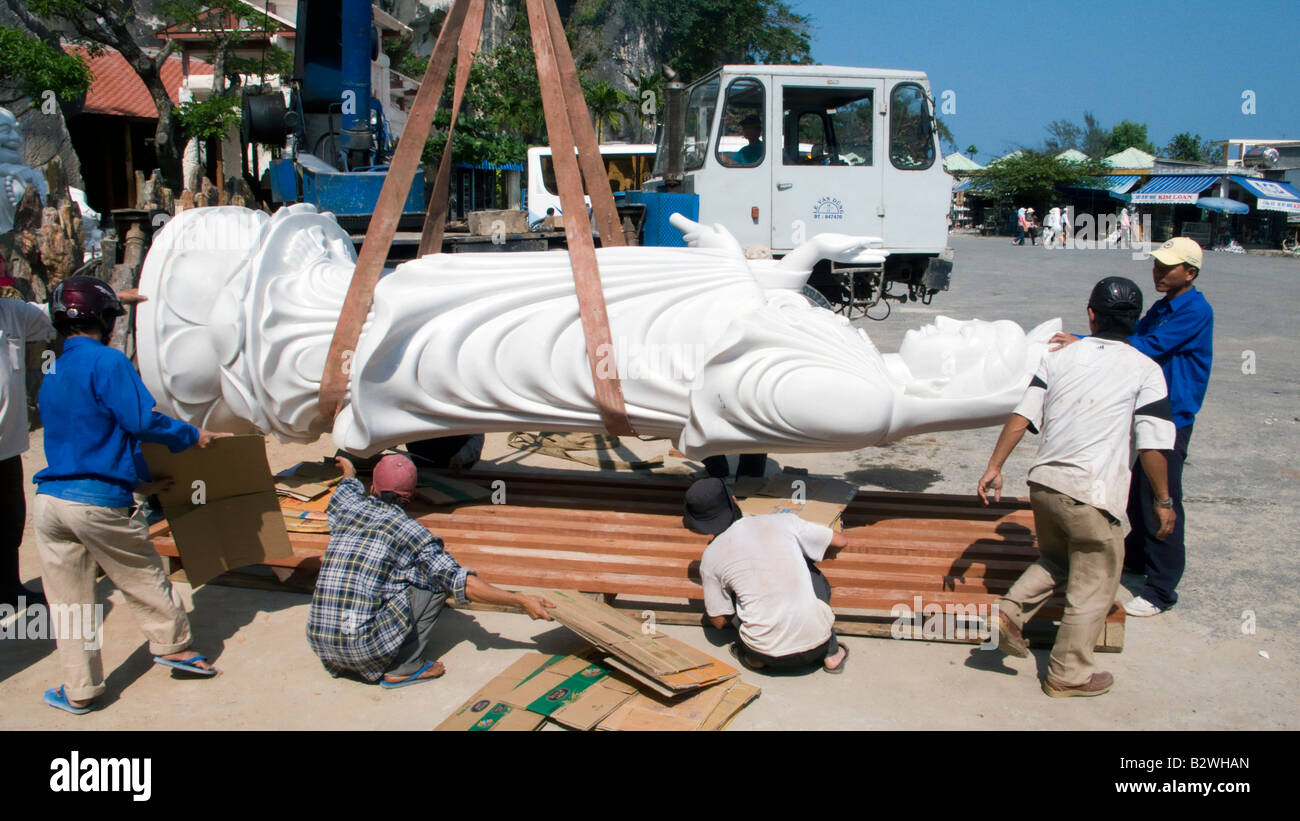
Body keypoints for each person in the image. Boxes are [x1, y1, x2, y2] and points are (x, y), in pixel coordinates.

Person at [32, 276, 228, 714]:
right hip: (97, 502)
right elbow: (139, 422)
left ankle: (80, 690)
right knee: (140, 572)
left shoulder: (52, 370)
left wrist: (140, 480)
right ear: (103, 319)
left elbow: (89, 434)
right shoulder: (110, 362)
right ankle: (173, 646)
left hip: (51, 503)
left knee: (69, 602)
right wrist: (190, 436)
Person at [979, 277, 1176, 697]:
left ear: (1091, 314)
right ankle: (1069, 674)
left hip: (1045, 484)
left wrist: (995, 466)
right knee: (1095, 584)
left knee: (1058, 559)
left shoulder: (1058, 359)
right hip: (1091, 493)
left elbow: (1022, 415)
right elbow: (1154, 446)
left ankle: (1010, 610)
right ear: (1137, 321)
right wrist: (1163, 500)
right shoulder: (1147, 371)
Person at [1052, 237, 1211, 617]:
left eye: (1168, 266)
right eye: (1157, 263)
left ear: (1190, 273)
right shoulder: (1164, 306)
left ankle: (1161, 589)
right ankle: (1137, 557)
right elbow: (1128, 336)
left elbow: (1145, 346)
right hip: (1144, 409)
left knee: (1162, 496)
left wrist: (1084, 342)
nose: (1158, 270)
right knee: (1136, 493)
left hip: (1170, 416)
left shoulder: (1193, 311)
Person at [307, 453, 555, 687]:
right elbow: (461, 583)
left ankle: (358, 654)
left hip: (320, 643)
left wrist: (348, 468)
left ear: (373, 487)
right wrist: (519, 600)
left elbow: (348, 485)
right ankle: (404, 666)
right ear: (411, 496)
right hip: (365, 651)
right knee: (436, 579)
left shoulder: (346, 506)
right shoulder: (412, 533)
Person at [684, 477, 849, 674]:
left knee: (738, 590)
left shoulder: (710, 558)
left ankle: (754, 657)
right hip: (817, 645)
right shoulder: (782, 521)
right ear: (734, 501)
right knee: (810, 572)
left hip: (763, 653)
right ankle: (832, 653)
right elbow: (840, 541)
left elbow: (719, 621)